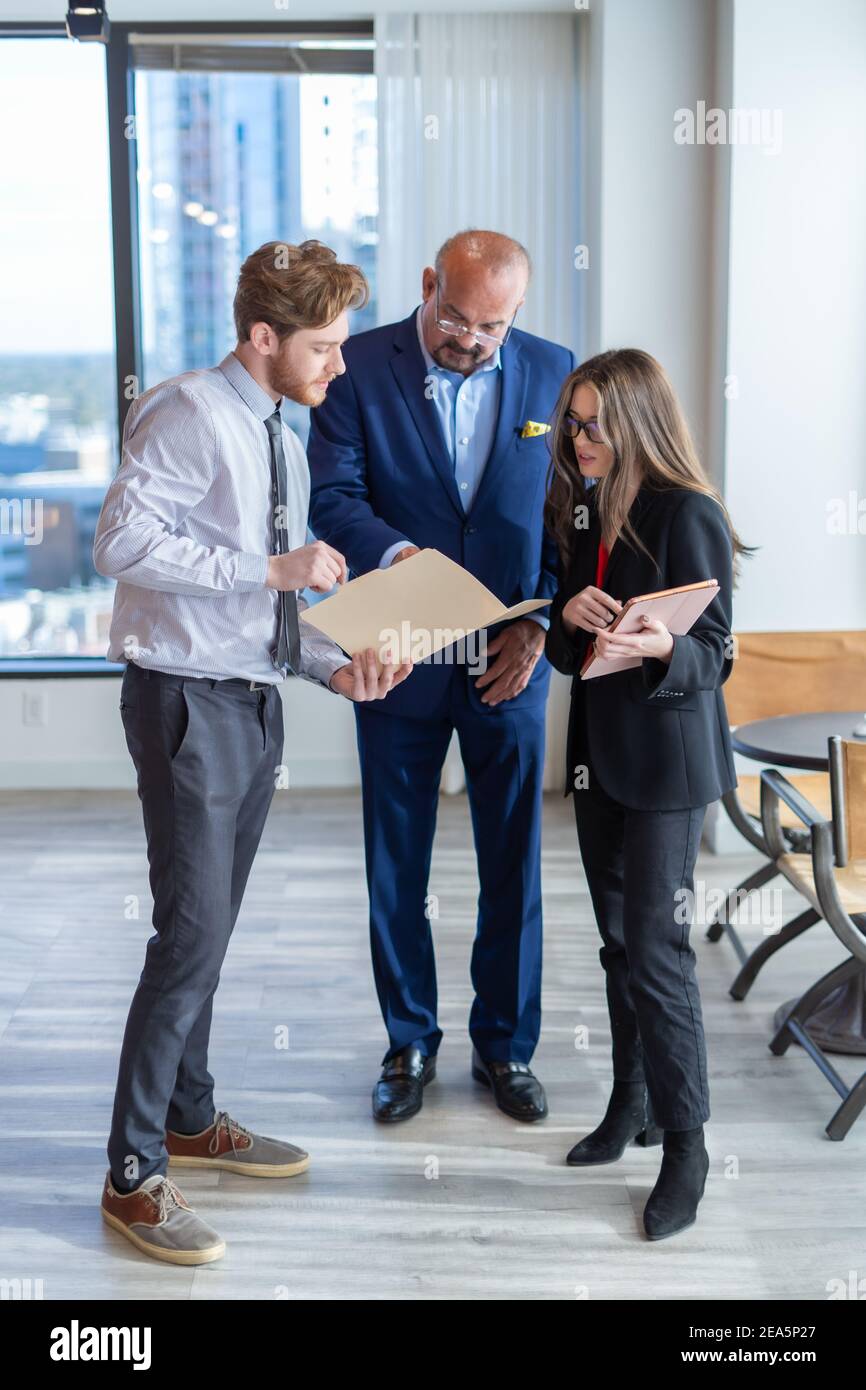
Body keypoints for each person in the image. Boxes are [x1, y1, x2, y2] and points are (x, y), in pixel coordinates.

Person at [92, 240, 412, 1265]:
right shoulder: (189, 410)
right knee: (186, 939)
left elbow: (263, 603)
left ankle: (191, 1119)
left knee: (210, 933)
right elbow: (121, 544)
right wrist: (267, 562)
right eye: (322, 347)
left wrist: (335, 665)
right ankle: (134, 1173)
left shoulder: (275, 427)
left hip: (249, 700)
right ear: (261, 337)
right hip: (185, 706)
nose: (339, 366)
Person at [308, 230, 575, 1123]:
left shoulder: (554, 370)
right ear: (427, 285)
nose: (469, 338)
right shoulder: (358, 366)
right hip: (400, 653)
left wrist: (539, 620)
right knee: (398, 861)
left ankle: (505, 1048)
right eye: (455, 316)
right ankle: (409, 1042)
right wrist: (398, 554)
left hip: (510, 655)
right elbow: (332, 495)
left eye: (491, 327)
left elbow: (568, 512)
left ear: (519, 315)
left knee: (514, 864)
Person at [544, 347, 747, 1241]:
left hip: (666, 766)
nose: (576, 438)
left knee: (658, 952)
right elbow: (565, 650)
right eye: (571, 422)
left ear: (635, 424)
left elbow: (717, 653)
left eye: (592, 424)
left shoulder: (687, 512)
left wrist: (663, 645)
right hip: (599, 758)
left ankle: (687, 1146)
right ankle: (631, 1103)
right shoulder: (582, 504)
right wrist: (568, 618)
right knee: (618, 944)